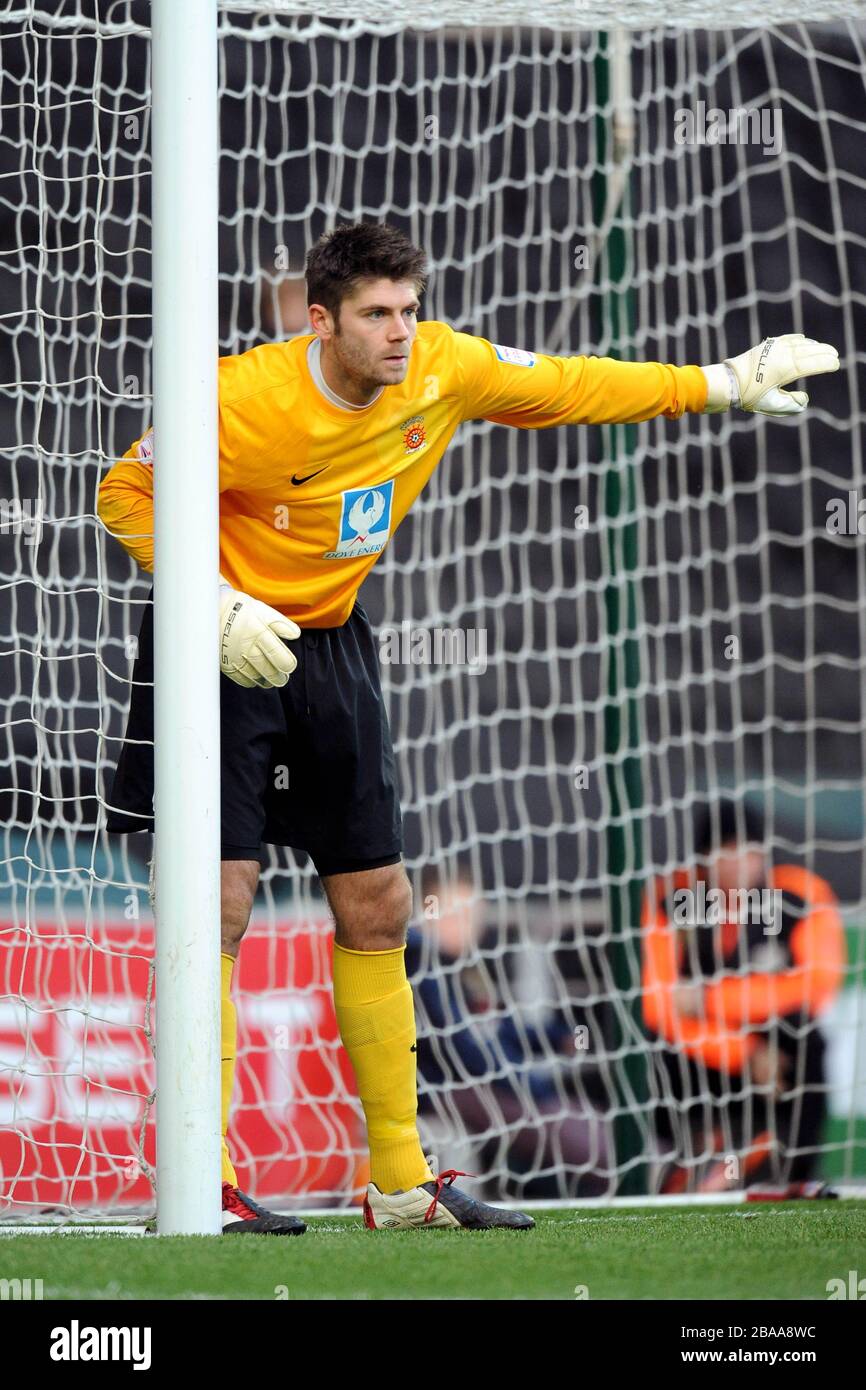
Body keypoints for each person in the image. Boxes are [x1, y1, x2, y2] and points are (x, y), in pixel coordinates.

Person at [97, 220, 838, 1232]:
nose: (401, 332)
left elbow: (574, 385)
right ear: (321, 320)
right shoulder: (242, 396)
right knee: (216, 905)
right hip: (221, 641)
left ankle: (399, 1182)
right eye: (375, 314)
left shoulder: (441, 367)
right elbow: (124, 491)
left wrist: (719, 379)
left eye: (410, 309)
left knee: (377, 904)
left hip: (330, 644)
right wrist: (208, 603)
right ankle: (203, 1180)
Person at [641, 800, 846, 1192]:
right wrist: (745, 1053)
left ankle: (794, 1176)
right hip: (700, 1059)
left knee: (806, 1033)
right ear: (703, 857)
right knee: (645, 1043)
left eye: (750, 849)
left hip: (775, 1058)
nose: (739, 861)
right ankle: (690, 1159)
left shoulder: (800, 894)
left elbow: (817, 984)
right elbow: (657, 1005)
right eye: (726, 849)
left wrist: (708, 1000)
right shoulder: (671, 898)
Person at [407, 865, 611, 1198]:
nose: (468, 925)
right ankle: (658, 1174)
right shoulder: (422, 967)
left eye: (472, 915)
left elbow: (500, 1028)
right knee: (555, 1118)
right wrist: (527, 1085)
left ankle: (662, 1167)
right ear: (426, 913)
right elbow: (464, 1053)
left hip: (489, 1083)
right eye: (456, 914)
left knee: (575, 1112)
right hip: (451, 1091)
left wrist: (556, 1036)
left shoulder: (459, 968)